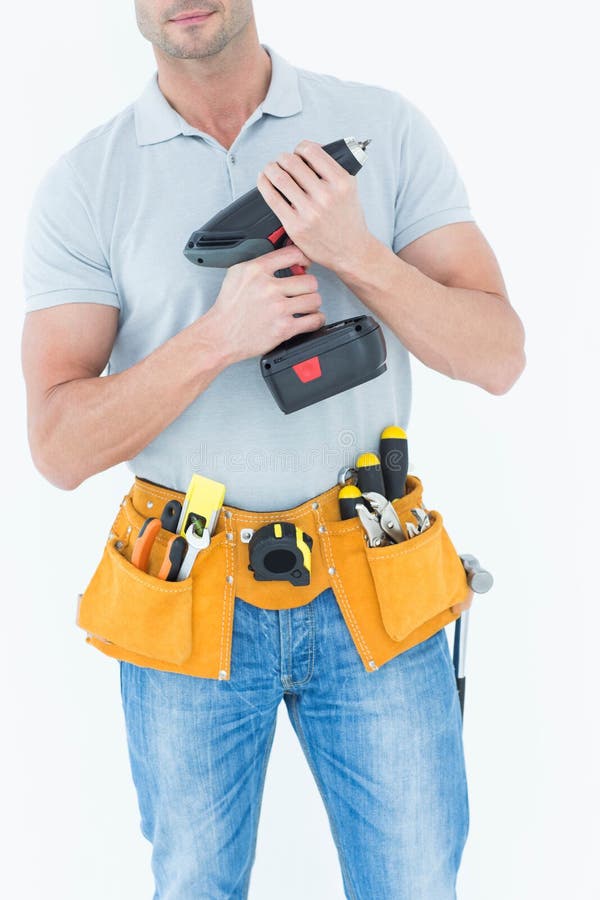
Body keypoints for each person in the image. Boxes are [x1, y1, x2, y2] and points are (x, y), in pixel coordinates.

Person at [21, 2, 526, 898]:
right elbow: (58, 447)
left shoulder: (381, 128)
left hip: (373, 569)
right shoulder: (87, 182)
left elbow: (498, 357)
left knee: (414, 884)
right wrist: (218, 338)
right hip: (184, 586)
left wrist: (356, 252)